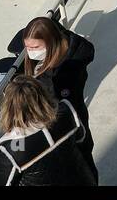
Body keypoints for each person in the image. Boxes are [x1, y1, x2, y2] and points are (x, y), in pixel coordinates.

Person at [11, 16, 96, 173]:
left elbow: (56, 107)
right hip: (63, 125)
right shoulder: (62, 47)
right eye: (27, 47)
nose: (30, 52)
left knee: (83, 167)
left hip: (69, 129)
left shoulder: (63, 75)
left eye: (35, 47)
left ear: (51, 43)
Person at [0, 75, 96, 186]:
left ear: (9, 106)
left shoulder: (10, 148)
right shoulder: (66, 112)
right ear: (42, 95)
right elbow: (85, 145)